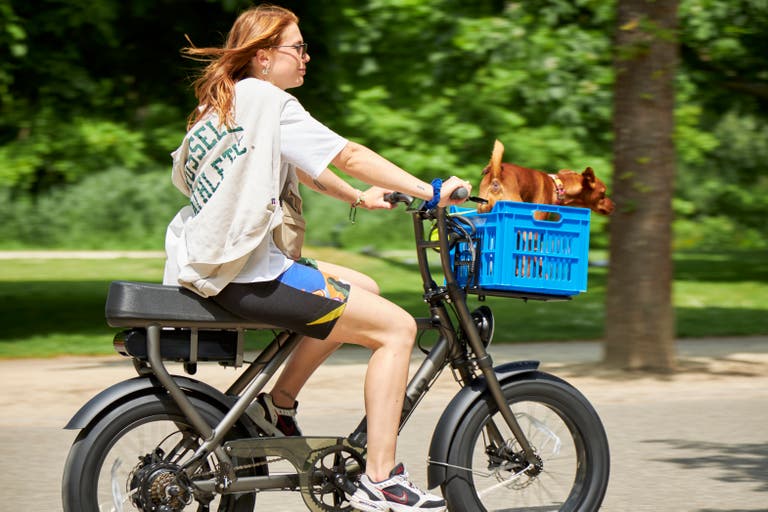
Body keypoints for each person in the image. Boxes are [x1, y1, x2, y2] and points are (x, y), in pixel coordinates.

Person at [163, 5, 470, 511]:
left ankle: (278, 407)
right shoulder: (267, 99)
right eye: (298, 47)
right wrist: (430, 190)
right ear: (264, 57)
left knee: (364, 289)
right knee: (396, 330)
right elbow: (346, 154)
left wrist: (357, 198)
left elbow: (307, 168)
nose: (307, 56)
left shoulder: (223, 106)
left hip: (214, 266)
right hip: (250, 274)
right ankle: (381, 477)